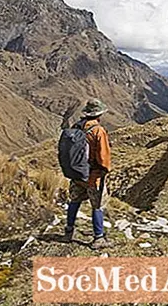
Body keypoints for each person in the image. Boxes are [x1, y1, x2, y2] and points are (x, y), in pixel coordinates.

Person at [64, 98, 112, 249]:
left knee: (74, 201)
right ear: (99, 115)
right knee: (97, 206)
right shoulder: (98, 131)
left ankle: (68, 231)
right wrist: (104, 171)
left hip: (77, 173)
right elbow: (103, 157)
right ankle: (98, 238)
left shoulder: (76, 126)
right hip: (92, 175)